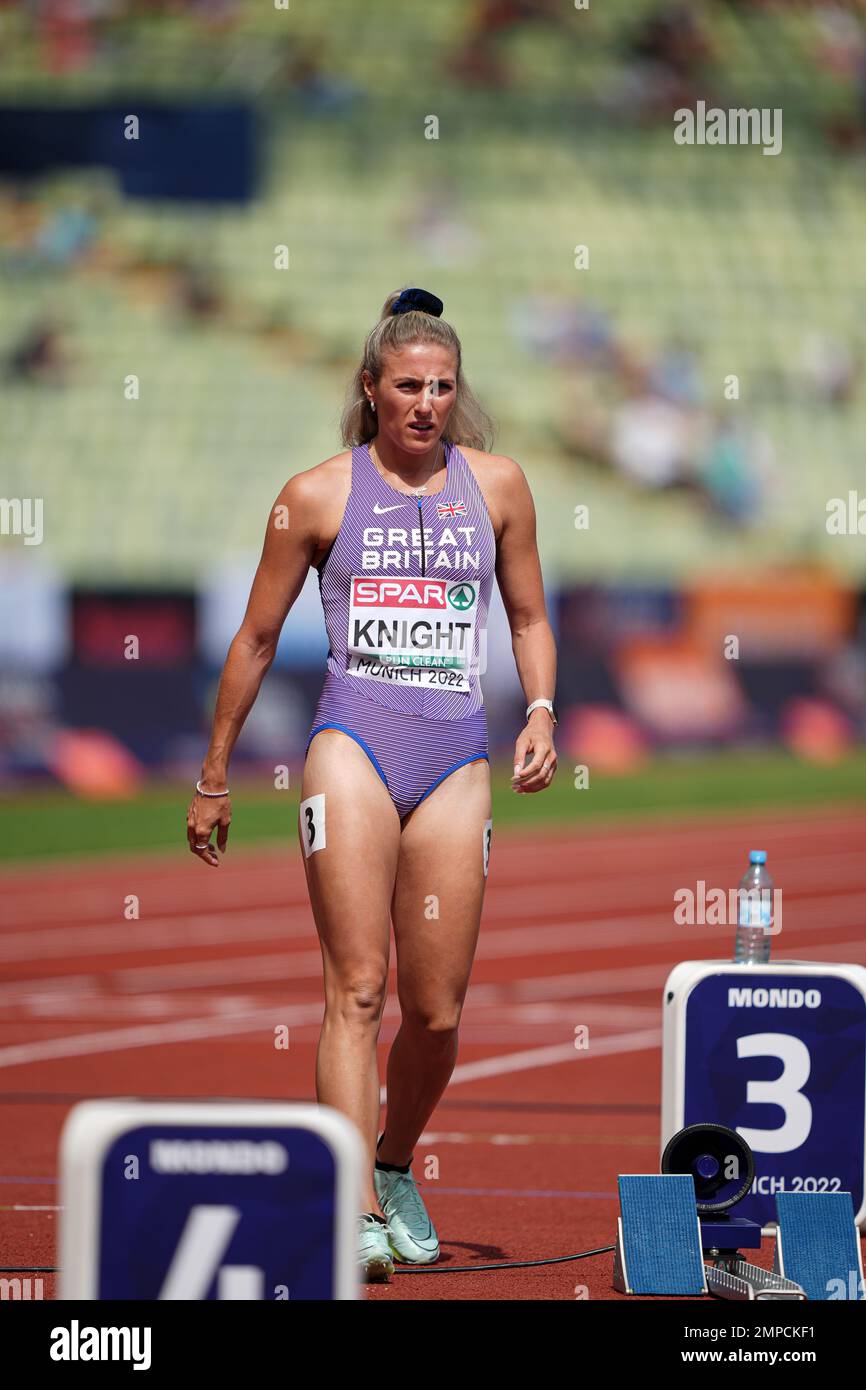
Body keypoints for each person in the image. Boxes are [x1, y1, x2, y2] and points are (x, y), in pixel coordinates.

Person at [187, 286, 558, 1282]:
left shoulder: (500, 486)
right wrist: (214, 771)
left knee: (434, 1011)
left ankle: (392, 1162)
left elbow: (525, 619)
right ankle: (348, 1204)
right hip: (351, 744)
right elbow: (257, 637)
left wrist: (538, 709)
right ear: (370, 388)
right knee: (355, 988)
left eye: (442, 386)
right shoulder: (316, 494)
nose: (427, 402)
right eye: (407, 385)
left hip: (455, 759)